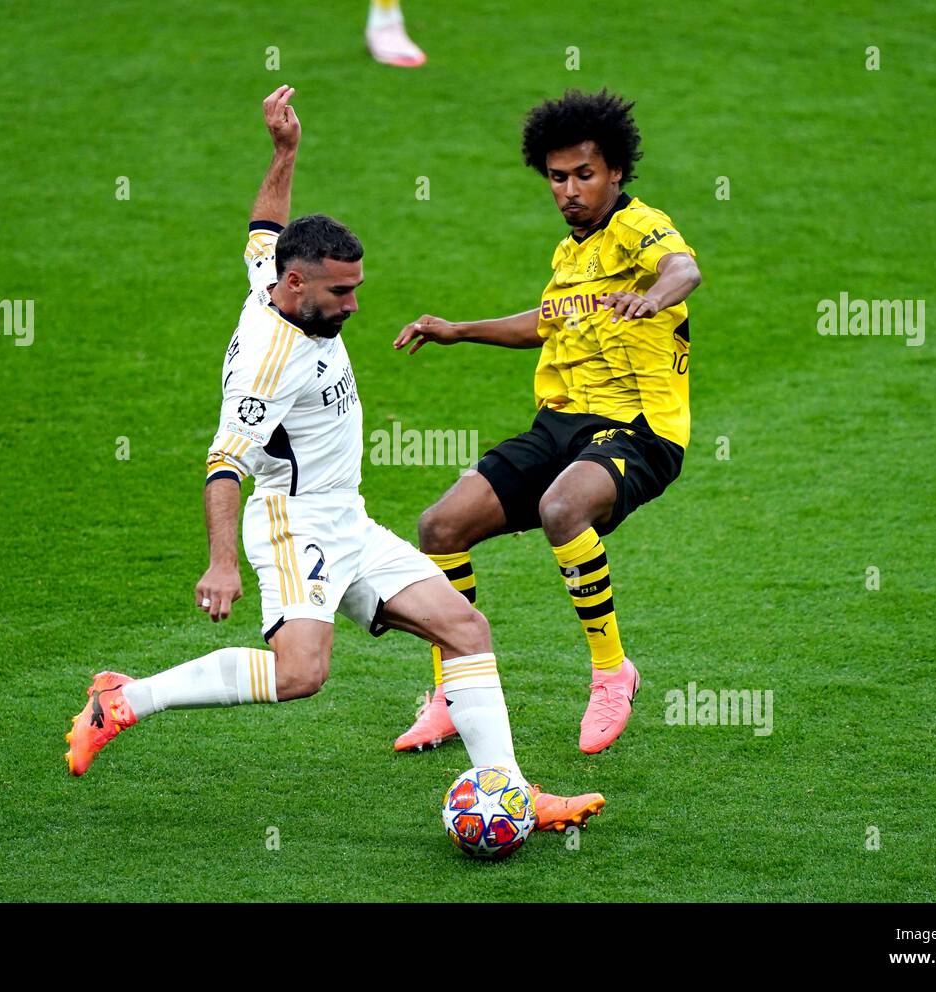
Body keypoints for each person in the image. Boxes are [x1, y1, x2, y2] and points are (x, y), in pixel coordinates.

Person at [66, 86, 604, 834]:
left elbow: (264, 227)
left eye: (356, 288)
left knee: (466, 630)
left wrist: (283, 152)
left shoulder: (275, 276)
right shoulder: (269, 361)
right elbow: (225, 461)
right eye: (341, 292)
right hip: (293, 525)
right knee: (300, 675)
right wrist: (221, 563)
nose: (353, 306)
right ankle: (122, 699)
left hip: (343, 519)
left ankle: (512, 790)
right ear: (298, 286)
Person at [392, 88, 702, 755]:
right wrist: (459, 330)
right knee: (440, 526)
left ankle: (612, 673)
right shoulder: (569, 254)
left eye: (583, 175)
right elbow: (545, 322)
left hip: (637, 429)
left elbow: (684, 269)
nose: (569, 189)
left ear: (615, 170)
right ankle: (454, 690)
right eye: (557, 177)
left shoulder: (641, 227)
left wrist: (649, 301)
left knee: (565, 509)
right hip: (559, 426)